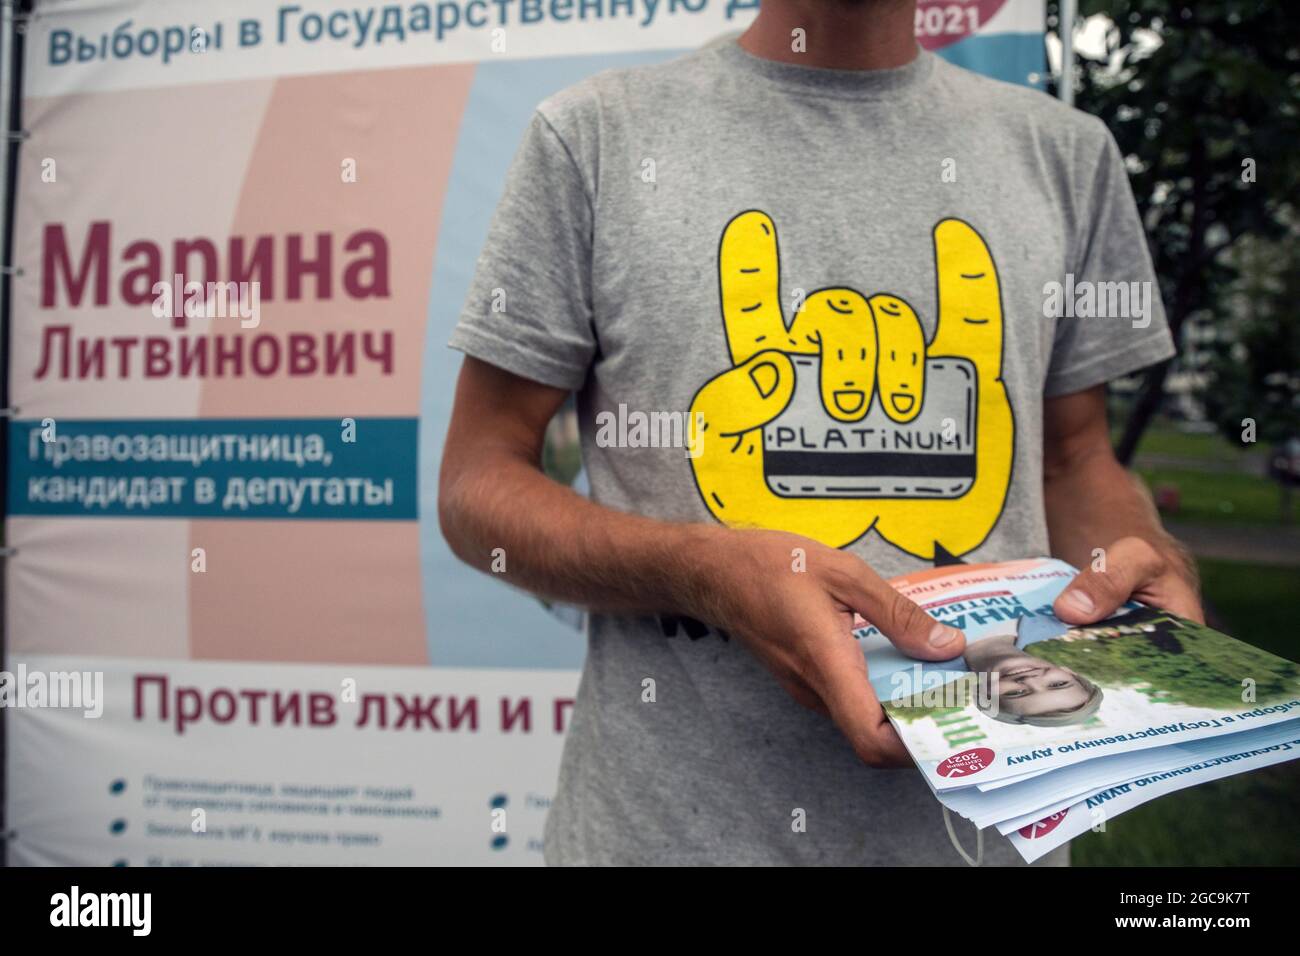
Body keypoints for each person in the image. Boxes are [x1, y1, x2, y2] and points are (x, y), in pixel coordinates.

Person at [438, 0, 1203, 865]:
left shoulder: (1065, 152)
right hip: (664, 837)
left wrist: (1139, 553)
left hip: (990, 839)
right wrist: (703, 574)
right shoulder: (594, 136)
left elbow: (1072, 459)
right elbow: (478, 485)